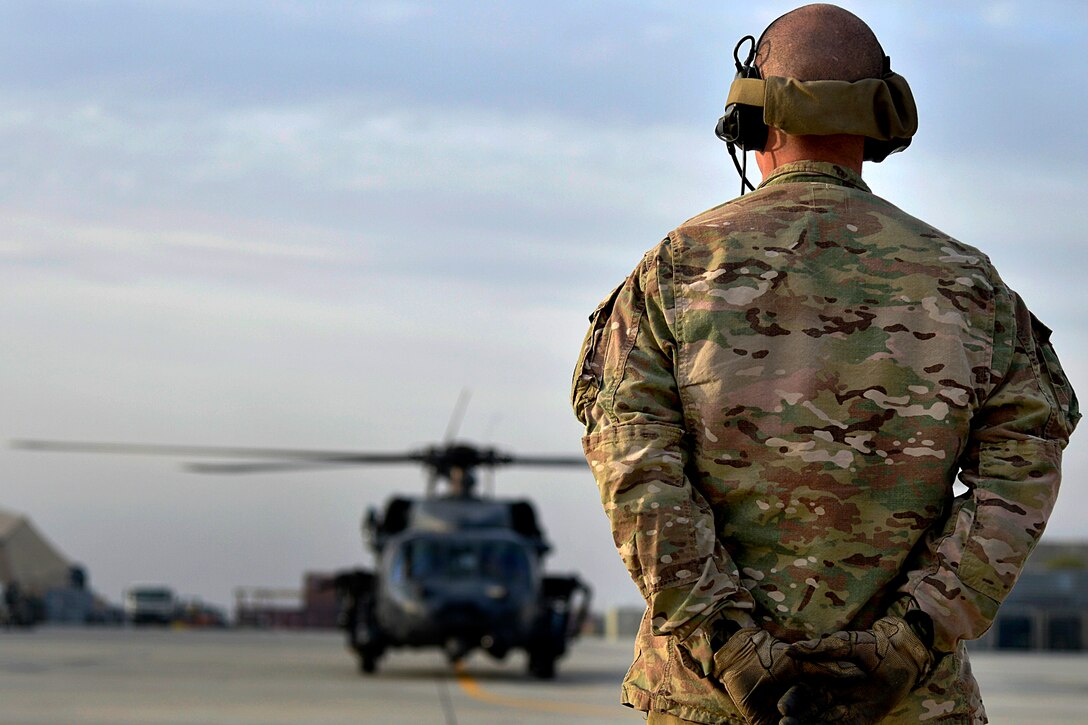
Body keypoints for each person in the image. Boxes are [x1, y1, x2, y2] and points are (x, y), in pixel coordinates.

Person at [570, 4, 1079, 724]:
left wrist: (732, 646)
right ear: (883, 120)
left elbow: (637, 475)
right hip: (903, 704)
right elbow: (1023, 469)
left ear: (751, 120)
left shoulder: (675, 272)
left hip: (714, 700)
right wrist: (908, 639)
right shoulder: (970, 285)